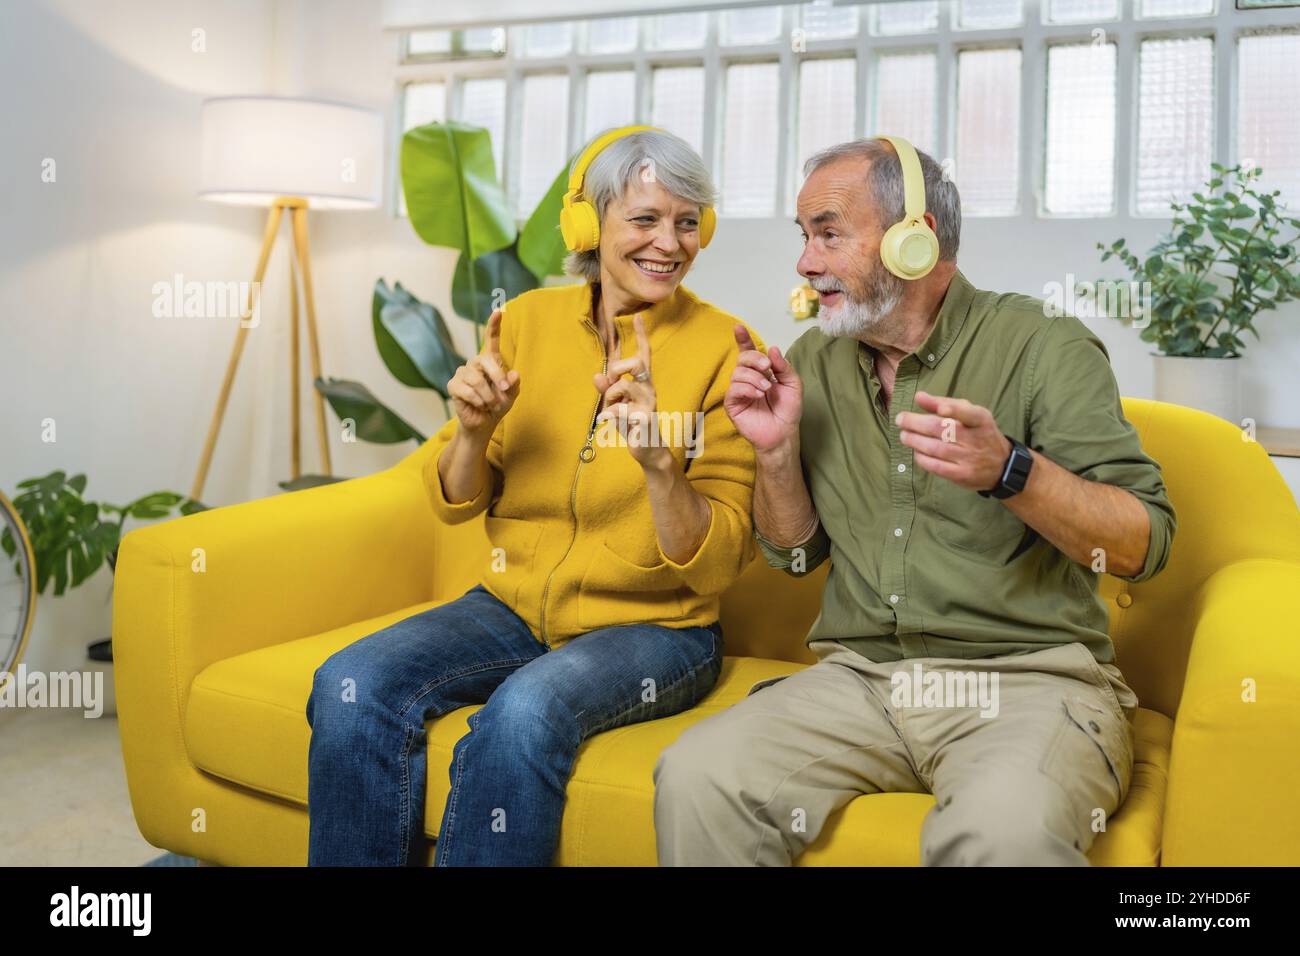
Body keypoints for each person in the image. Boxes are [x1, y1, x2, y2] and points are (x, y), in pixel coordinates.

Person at [653, 135, 1177, 866]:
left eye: (829, 233)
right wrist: (773, 456)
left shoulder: (1042, 345)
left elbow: (1141, 543)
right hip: (859, 682)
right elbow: (796, 555)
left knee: (1003, 835)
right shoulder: (811, 362)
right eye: (804, 237)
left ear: (914, 241)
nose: (805, 262)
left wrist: (1011, 471)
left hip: (1025, 681)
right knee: (698, 777)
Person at [305, 126, 762, 866]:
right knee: (350, 684)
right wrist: (471, 431)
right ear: (589, 224)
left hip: (658, 630)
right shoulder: (524, 323)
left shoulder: (726, 350)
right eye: (644, 220)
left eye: (687, 222)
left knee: (523, 714)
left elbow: (713, 566)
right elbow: (457, 500)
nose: (669, 243)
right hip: (511, 609)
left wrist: (658, 467)